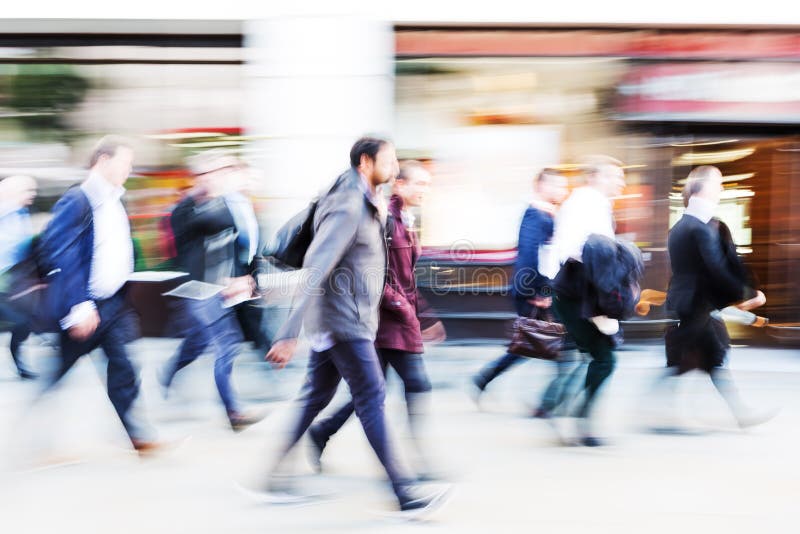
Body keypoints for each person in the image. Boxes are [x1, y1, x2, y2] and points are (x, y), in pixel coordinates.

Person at [262, 137, 449, 515]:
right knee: (372, 398)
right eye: (390, 160)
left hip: (347, 319)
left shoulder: (365, 200)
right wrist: (288, 331)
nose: (395, 168)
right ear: (366, 162)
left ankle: (271, 479)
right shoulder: (347, 204)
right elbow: (316, 266)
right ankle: (404, 493)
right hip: (343, 320)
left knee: (314, 397)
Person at [307, 160, 445, 480]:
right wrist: (407, 309)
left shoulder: (406, 219)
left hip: (398, 317)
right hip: (383, 319)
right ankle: (418, 462)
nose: (424, 190)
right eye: (419, 184)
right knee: (414, 384)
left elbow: (406, 276)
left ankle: (323, 431)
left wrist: (424, 314)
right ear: (401, 185)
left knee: (370, 392)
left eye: (427, 184)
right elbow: (377, 272)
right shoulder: (386, 218)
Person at [37, 136, 158, 454]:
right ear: (103, 160)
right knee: (57, 373)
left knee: (125, 366)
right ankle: (36, 440)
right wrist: (79, 305)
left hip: (115, 304)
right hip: (86, 305)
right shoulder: (78, 200)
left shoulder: (117, 200)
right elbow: (60, 254)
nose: (128, 170)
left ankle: (138, 437)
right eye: (124, 163)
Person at [160, 150, 264, 432]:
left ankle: (167, 374)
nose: (215, 178)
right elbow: (199, 229)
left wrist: (241, 278)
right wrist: (211, 195)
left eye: (218, 173)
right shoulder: (186, 209)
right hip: (197, 289)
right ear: (198, 177)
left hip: (217, 289)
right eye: (209, 173)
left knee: (195, 346)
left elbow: (231, 244)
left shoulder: (220, 204)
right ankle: (234, 413)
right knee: (225, 345)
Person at [657, 165, 768, 429]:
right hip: (697, 305)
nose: (720, 189)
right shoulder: (700, 228)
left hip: (692, 304)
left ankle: (740, 414)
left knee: (713, 358)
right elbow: (715, 268)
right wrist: (746, 296)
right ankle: (656, 410)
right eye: (718, 184)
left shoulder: (679, 227)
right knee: (691, 361)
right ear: (703, 187)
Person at [470, 168, 569, 402]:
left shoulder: (547, 214)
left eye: (563, 186)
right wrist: (535, 292)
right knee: (541, 342)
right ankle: (548, 402)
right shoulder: (536, 213)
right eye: (555, 185)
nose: (561, 190)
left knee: (539, 342)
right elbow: (529, 254)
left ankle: (485, 380)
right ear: (540, 186)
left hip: (539, 287)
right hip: (533, 289)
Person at [550, 155, 626, 446]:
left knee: (593, 356)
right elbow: (591, 254)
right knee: (604, 359)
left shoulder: (582, 202)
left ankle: (565, 412)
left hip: (574, 288)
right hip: (579, 290)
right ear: (595, 177)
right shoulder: (591, 203)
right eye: (614, 176)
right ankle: (576, 420)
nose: (620, 182)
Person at [0, 175, 38, 379]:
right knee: (21, 322)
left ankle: (19, 365)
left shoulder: (21, 215)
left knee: (23, 323)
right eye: (28, 190)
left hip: (11, 282)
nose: (32, 194)